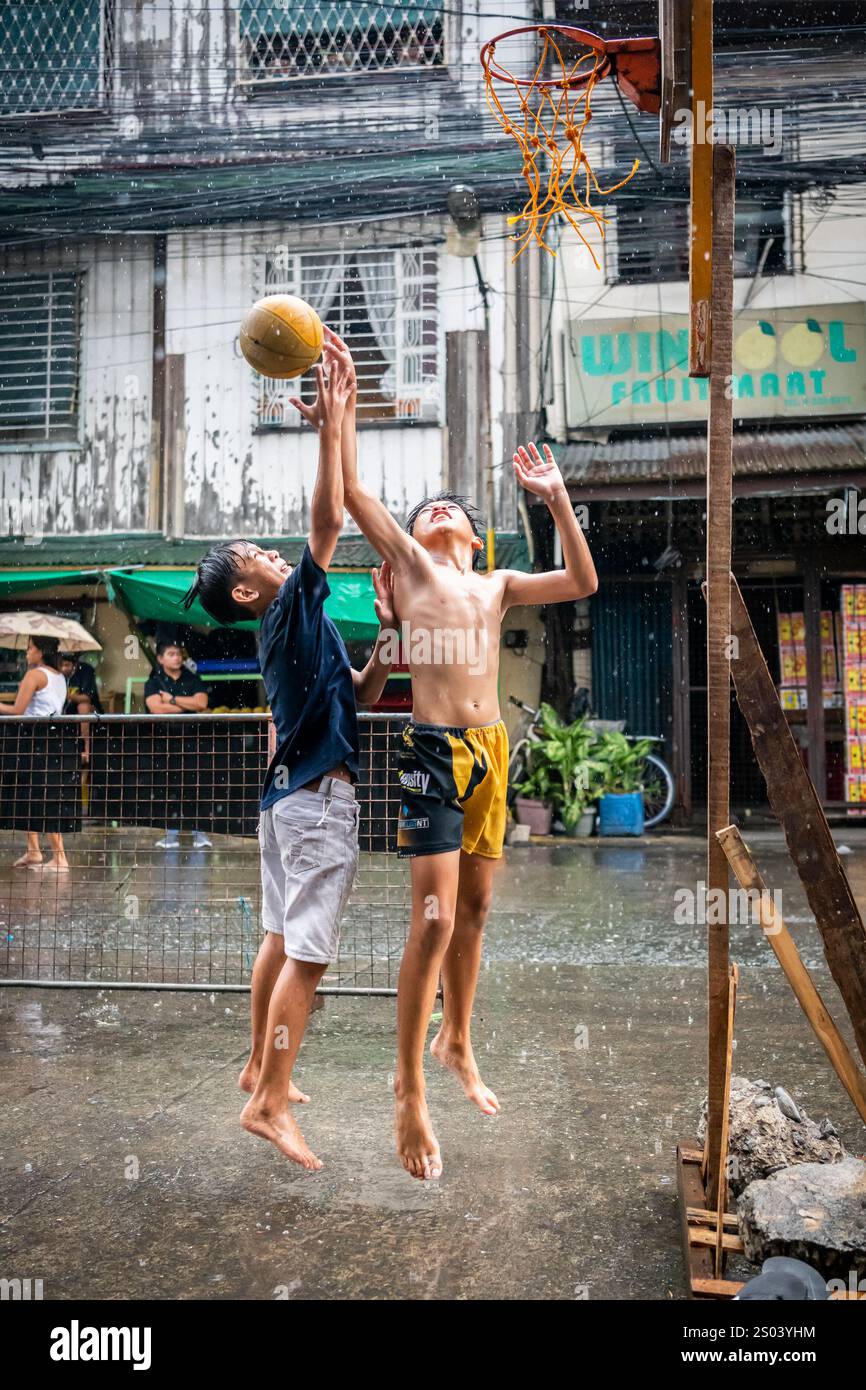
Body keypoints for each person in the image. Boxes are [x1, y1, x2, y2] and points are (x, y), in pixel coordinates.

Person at [328, 328, 599, 1181]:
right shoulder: (407, 567)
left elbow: (584, 584)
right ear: (407, 542)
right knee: (435, 920)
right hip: (434, 752)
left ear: (478, 543)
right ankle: (408, 1088)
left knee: (476, 915)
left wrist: (556, 499)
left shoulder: (496, 584)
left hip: (493, 751)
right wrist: (341, 412)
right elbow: (354, 491)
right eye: (428, 508)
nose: (441, 511)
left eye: (457, 511)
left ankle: (458, 1041)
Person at [182, 340, 394, 1171]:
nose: (277, 556)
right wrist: (333, 420)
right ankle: (270, 1100)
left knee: (277, 936)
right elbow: (332, 519)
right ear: (248, 591)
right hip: (315, 803)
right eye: (259, 559)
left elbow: (364, 693)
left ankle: (254, 1066)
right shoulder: (287, 605)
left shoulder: (300, 624)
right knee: (307, 955)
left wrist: (388, 648)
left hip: (287, 803)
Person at [6, 635, 71, 870]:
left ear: (40, 651)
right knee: (34, 793)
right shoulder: (59, 676)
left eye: (29, 648)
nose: (26, 653)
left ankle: (60, 857)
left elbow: (17, 710)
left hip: (34, 739)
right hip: (51, 738)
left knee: (40, 795)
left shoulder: (34, 675)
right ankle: (33, 850)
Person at [144, 641, 212, 850]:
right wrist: (185, 706)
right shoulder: (154, 681)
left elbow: (201, 703)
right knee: (168, 789)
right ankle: (170, 836)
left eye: (178, 654)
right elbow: (155, 708)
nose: (177, 657)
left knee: (194, 787)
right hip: (164, 743)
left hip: (191, 741)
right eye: (171, 654)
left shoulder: (192, 679)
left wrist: (172, 700)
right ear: (160, 658)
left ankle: (199, 835)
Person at [61, 650, 102, 768]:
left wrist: (67, 696)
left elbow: (87, 698)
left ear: (75, 665)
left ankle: (86, 748)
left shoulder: (86, 671)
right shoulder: (57, 674)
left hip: (91, 712)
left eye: (67, 665)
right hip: (66, 712)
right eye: (61, 665)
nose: (64, 669)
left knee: (83, 706)